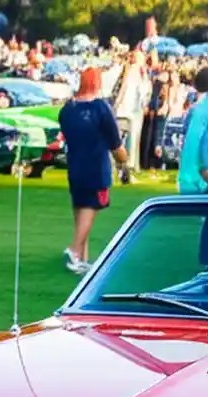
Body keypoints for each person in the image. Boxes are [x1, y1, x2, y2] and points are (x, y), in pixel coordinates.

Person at [58, 67, 130, 275]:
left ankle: (82, 257)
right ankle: (74, 250)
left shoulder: (68, 109)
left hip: (75, 165)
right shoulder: (100, 108)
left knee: (79, 210)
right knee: (90, 209)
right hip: (96, 166)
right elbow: (115, 144)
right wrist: (124, 164)